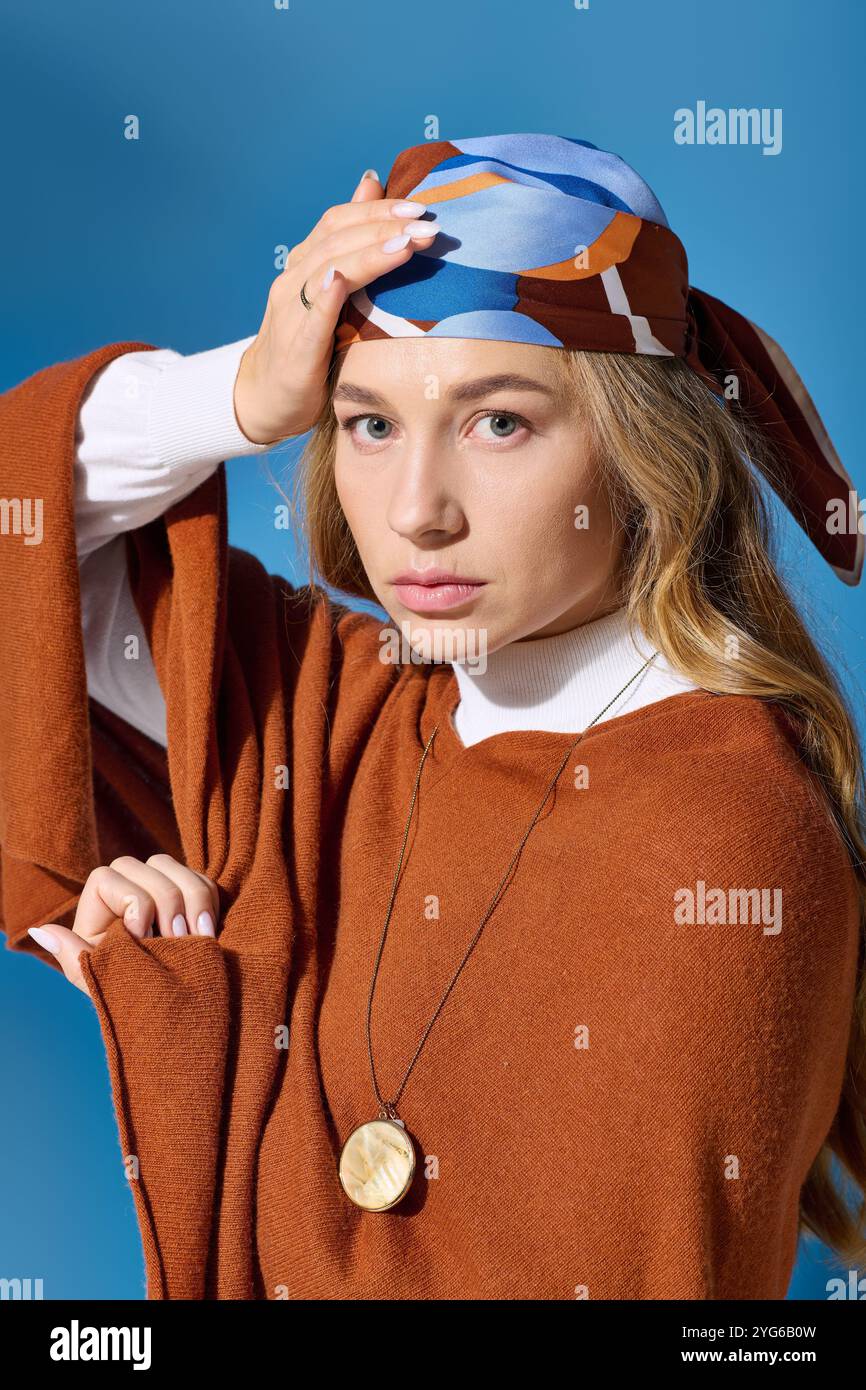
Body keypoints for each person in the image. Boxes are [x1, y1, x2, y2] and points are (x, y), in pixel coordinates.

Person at [1, 133, 864, 1300]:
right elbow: (22, 531)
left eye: (496, 422)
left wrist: (204, 1054)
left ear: (638, 452)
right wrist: (247, 390)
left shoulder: (722, 836)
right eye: (367, 424)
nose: (415, 512)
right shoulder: (339, 704)